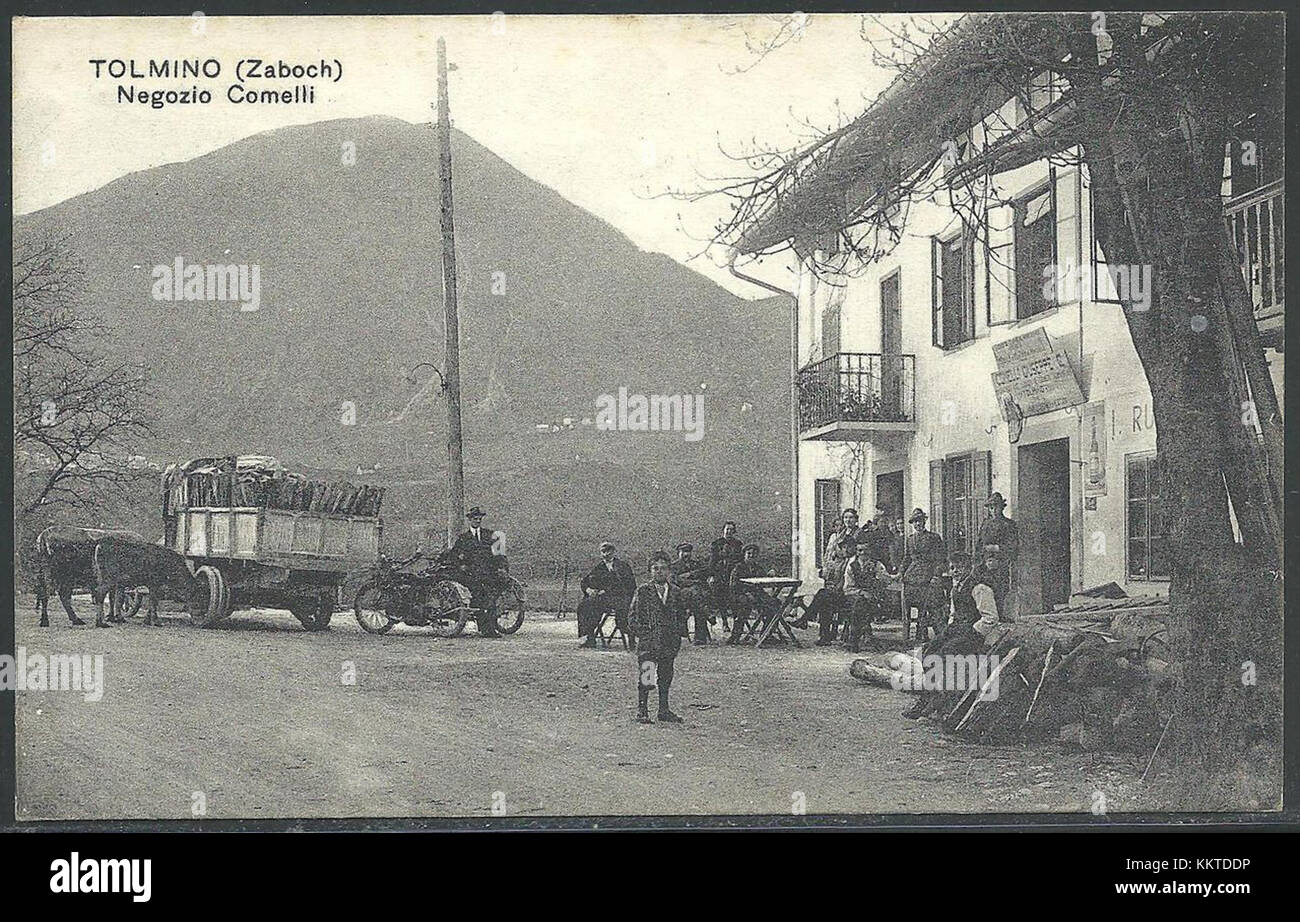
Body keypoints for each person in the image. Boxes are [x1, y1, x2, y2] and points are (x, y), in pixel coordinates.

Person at [903, 553, 1000, 720]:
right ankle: (929, 697)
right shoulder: (956, 588)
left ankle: (941, 700)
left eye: (959, 568)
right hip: (957, 629)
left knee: (945, 653)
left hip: (973, 633)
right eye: (952, 568)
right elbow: (953, 613)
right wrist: (949, 627)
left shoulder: (979, 588)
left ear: (969, 568)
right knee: (928, 650)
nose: (955, 571)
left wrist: (974, 630)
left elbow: (991, 617)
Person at [629, 552, 686, 724]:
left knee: (666, 675)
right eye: (655, 569)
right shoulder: (643, 591)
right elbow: (632, 618)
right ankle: (642, 710)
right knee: (647, 676)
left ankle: (664, 709)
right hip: (649, 644)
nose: (659, 572)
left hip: (668, 643)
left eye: (663, 569)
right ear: (650, 571)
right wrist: (644, 634)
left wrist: (677, 635)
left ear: (669, 571)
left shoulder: (676, 592)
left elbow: (681, 616)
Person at [449, 505, 507, 637]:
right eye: (475, 519)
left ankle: (490, 628)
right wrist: (461, 565)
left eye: (480, 518)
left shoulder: (489, 535)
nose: (478, 521)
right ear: (470, 520)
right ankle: (485, 628)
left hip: (487, 573)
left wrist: (500, 568)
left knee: (492, 597)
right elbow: (454, 556)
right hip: (470, 574)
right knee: (479, 597)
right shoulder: (463, 538)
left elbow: (498, 554)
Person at [900, 508, 948, 643]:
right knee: (911, 602)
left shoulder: (934, 538)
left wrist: (936, 575)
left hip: (928, 576)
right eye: (915, 522)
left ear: (924, 521)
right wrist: (900, 573)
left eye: (920, 521)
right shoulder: (910, 539)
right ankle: (915, 634)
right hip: (912, 577)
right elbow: (906, 559)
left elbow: (941, 559)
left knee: (931, 605)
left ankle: (927, 632)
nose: (917, 524)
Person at [576, 541, 637, 647]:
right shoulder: (599, 567)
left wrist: (606, 591)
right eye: (603, 552)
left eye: (608, 551)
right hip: (603, 600)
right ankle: (588, 636)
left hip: (621, 599)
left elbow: (630, 586)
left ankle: (631, 637)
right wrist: (588, 590)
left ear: (614, 552)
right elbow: (585, 581)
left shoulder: (622, 566)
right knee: (584, 605)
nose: (606, 554)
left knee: (595, 604)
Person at [974, 492, 1019, 621]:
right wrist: (981, 559)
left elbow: (1013, 548)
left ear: (1002, 507)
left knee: (1000, 592)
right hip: (985, 563)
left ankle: (999, 618)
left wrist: (996, 549)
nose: (993, 510)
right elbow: (979, 544)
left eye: (996, 506)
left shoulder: (1009, 524)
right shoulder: (985, 524)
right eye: (991, 507)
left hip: (1000, 564)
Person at [841, 536, 887, 652]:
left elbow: (884, 582)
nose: (862, 553)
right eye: (860, 550)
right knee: (859, 602)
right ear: (856, 551)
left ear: (870, 551)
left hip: (873, 599)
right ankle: (855, 639)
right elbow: (847, 588)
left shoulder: (877, 565)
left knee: (860, 603)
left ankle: (853, 640)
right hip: (853, 597)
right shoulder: (852, 565)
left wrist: (873, 589)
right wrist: (861, 592)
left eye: (865, 550)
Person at [727, 543, 777, 645]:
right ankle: (736, 635)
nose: (751, 556)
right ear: (744, 555)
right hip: (740, 595)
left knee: (775, 604)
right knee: (744, 605)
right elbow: (734, 586)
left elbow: (763, 580)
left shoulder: (757, 568)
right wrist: (746, 593)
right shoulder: (738, 568)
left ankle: (766, 634)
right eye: (749, 553)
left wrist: (769, 575)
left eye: (754, 554)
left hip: (756, 595)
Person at [669, 543, 713, 645]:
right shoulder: (673, 567)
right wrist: (694, 582)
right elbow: (675, 581)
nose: (686, 554)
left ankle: (700, 638)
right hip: (681, 596)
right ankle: (708, 614)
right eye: (683, 552)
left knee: (696, 600)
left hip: (695, 598)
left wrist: (690, 574)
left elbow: (706, 571)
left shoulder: (696, 564)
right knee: (695, 592)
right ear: (678, 553)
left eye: (688, 552)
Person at [810, 536, 850, 646]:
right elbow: (826, 578)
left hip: (846, 596)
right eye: (842, 548)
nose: (845, 550)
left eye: (847, 547)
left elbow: (844, 582)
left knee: (823, 595)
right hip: (835, 595)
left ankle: (807, 618)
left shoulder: (850, 562)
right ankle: (824, 637)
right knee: (824, 600)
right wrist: (826, 571)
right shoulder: (835, 562)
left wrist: (835, 587)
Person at [708, 523, 743, 631]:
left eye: (732, 530)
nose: (729, 532)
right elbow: (712, 561)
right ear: (723, 530)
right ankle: (724, 622)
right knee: (721, 598)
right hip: (720, 574)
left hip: (733, 574)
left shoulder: (737, 544)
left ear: (734, 532)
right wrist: (712, 575)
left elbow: (740, 560)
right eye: (727, 529)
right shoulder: (716, 544)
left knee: (735, 597)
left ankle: (737, 624)